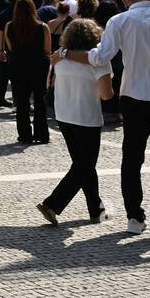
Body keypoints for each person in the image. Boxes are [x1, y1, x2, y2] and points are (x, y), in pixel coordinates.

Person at [53, 0, 150, 234]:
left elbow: (100, 57)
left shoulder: (120, 21)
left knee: (132, 160)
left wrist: (66, 53)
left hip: (135, 95)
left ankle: (135, 217)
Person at [37, 19, 112, 225]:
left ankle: (95, 209)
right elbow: (106, 95)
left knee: (83, 164)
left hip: (63, 115)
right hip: (86, 116)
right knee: (84, 165)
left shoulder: (60, 57)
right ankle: (53, 203)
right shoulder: (99, 60)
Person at [3, 0, 51, 145]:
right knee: (40, 100)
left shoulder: (9, 26)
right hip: (38, 66)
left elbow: (10, 48)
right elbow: (47, 50)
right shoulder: (42, 27)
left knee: (21, 101)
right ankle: (41, 134)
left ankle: (24, 135)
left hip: (18, 66)